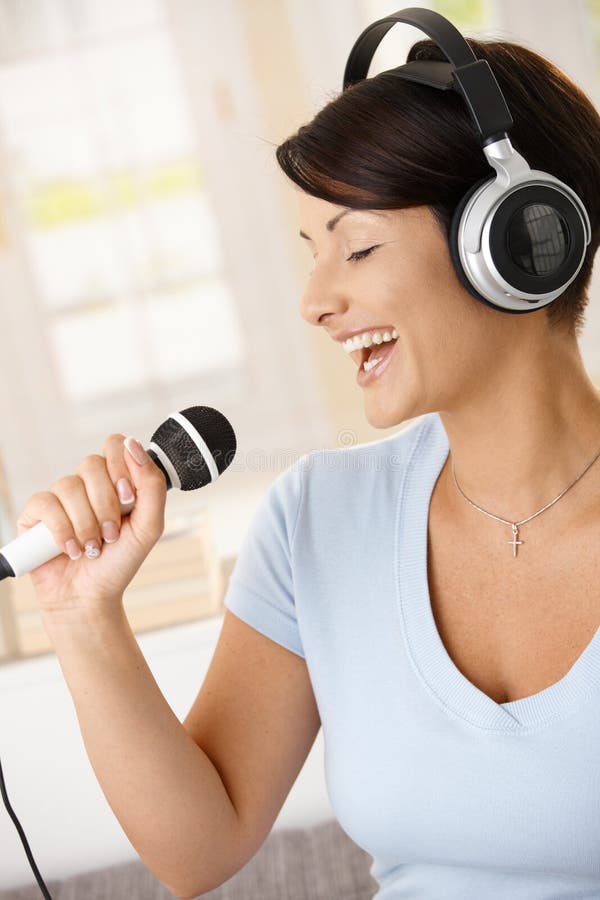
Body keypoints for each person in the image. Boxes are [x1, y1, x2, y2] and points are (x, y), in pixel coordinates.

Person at [17, 30, 600, 900]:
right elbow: (198, 851)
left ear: (519, 238)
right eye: (310, 253)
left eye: (356, 248)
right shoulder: (317, 519)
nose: (315, 301)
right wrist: (81, 614)